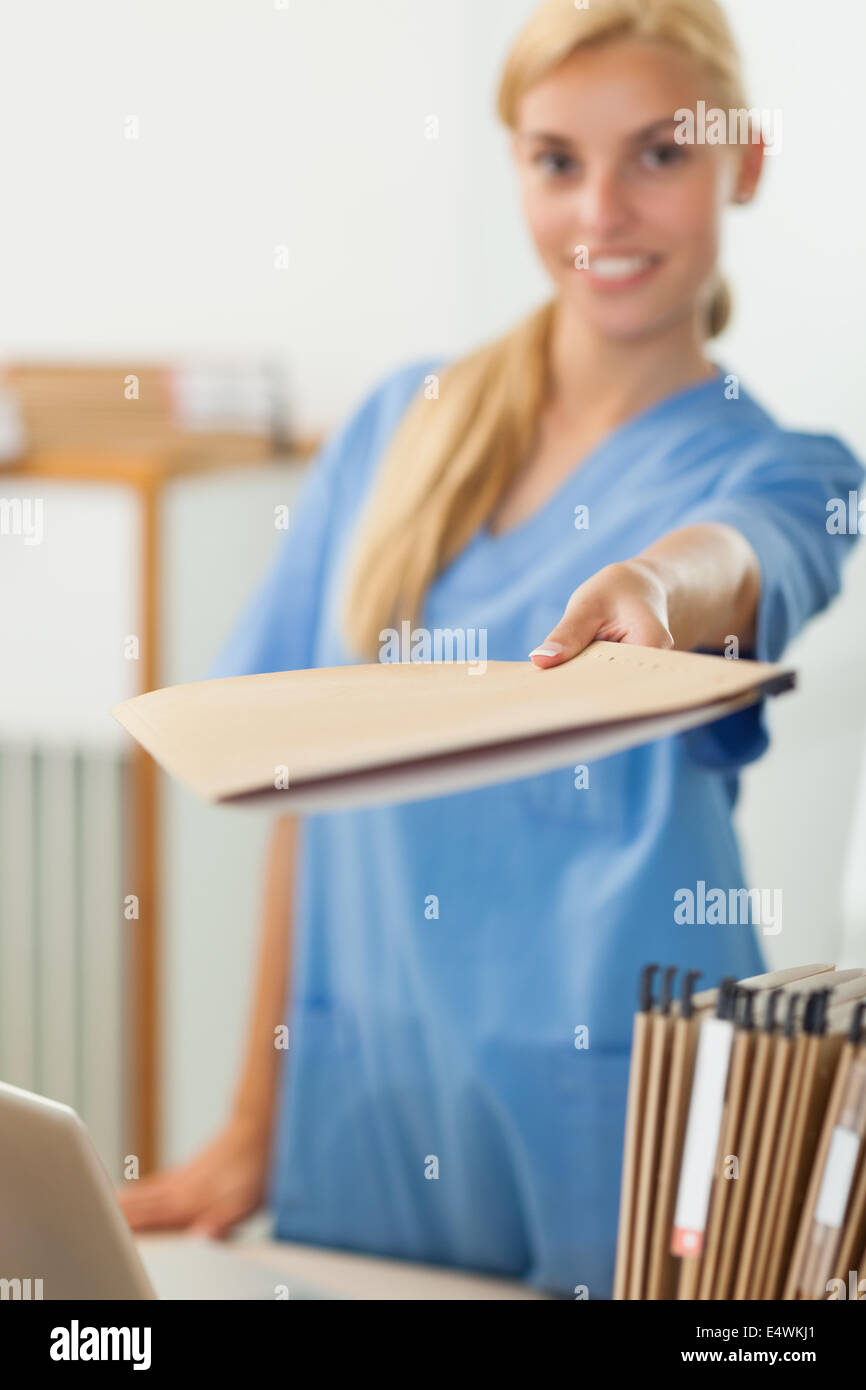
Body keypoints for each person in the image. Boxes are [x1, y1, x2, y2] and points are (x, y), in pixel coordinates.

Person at [119, 0, 863, 1297]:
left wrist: (650, 583)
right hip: (366, 1102)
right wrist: (251, 1122)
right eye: (556, 160)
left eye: (658, 154)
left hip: (628, 1124)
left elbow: (741, 552)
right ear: (514, 165)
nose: (601, 214)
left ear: (742, 160)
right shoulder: (400, 430)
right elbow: (299, 784)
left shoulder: (786, 466)